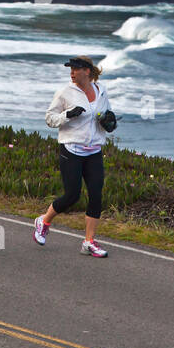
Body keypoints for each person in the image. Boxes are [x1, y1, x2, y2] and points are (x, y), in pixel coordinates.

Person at [34, 56, 118, 257]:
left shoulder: (101, 90)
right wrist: (67, 115)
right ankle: (44, 221)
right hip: (71, 150)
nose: (71, 73)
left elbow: (107, 115)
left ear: (87, 71)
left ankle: (89, 242)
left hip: (94, 150)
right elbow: (49, 118)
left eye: (75, 69)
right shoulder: (65, 92)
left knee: (96, 194)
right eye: (70, 69)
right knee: (72, 196)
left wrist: (109, 122)